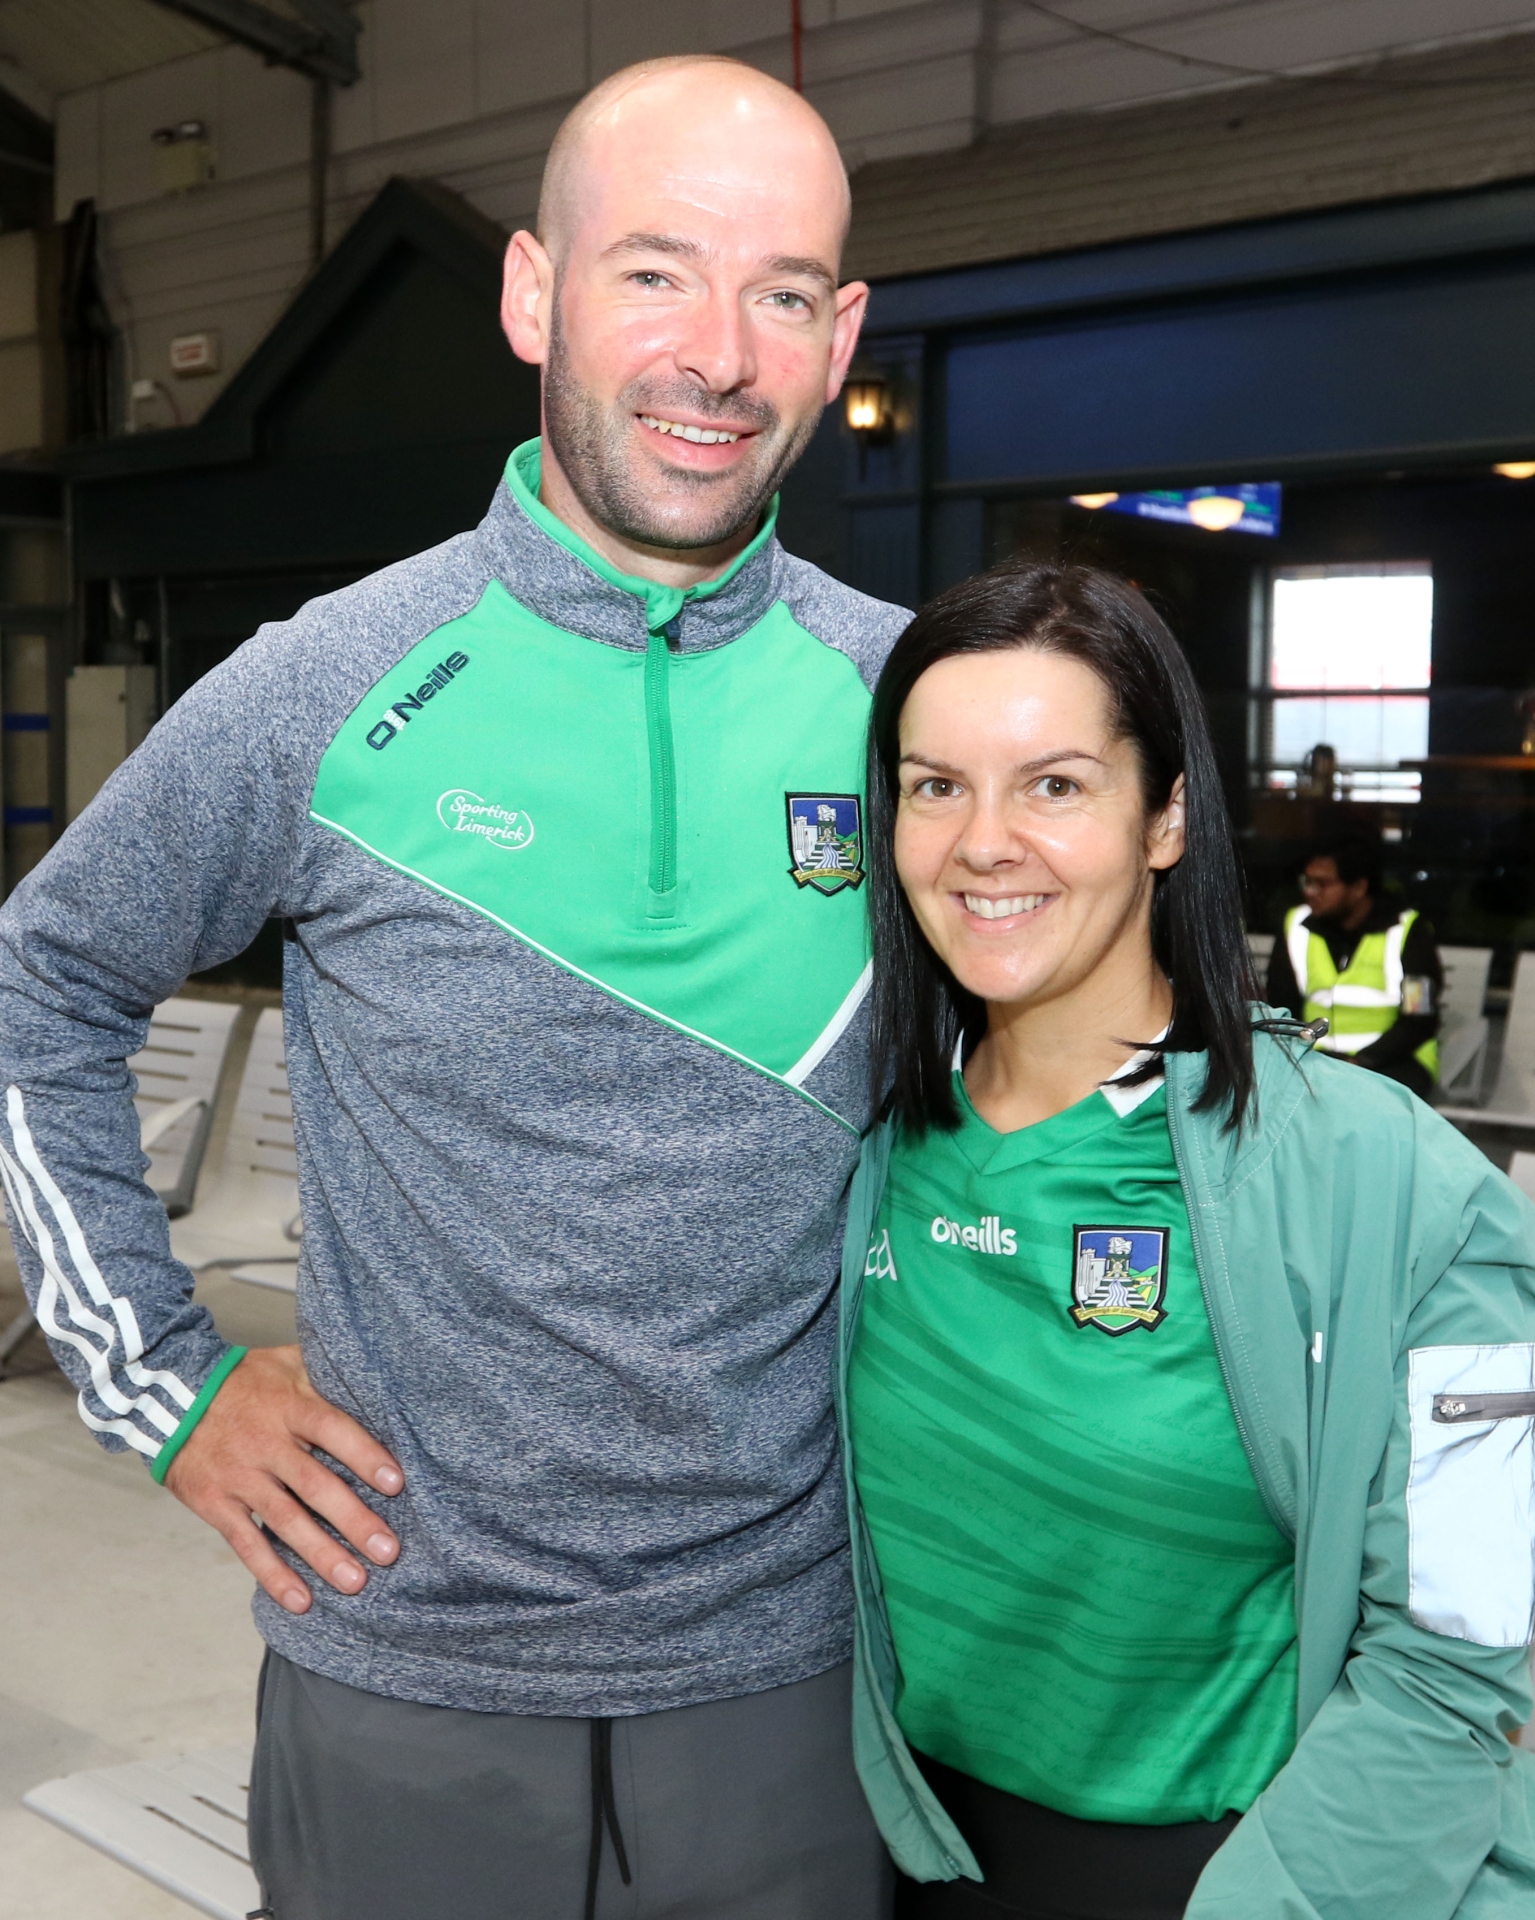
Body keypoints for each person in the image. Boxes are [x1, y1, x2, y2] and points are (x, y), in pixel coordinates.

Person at [0, 57, 904, 1920]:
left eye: (785, 293)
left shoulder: (927, 710)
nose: (720, 353)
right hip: (401, 1665)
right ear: (529, 295)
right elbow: (41, 984)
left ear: (842, 337)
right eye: (656, 271)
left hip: (802, 1672)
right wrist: (160, 1381)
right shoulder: (324, 685)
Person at [833, 559, 1535, 1919]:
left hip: (1248, 1877)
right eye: (934, 786)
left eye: (1051, 784)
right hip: (909, 1855)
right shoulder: (861, 1146)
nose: (982, 842)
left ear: (1162, 815)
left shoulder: (1398, 1193)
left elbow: (1463, 1646)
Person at [1265, 830, 1443, 1099]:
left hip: (1393, 1061)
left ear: (1358, 888)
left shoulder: (1408, 931)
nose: (1310, 892)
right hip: (1316, 1058)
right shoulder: (1297, 926)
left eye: (1322, 884)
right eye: (1307, 881)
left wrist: (1360, 1062)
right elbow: (1282, 1006)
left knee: (1364, 1104)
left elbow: (1420, 1020)